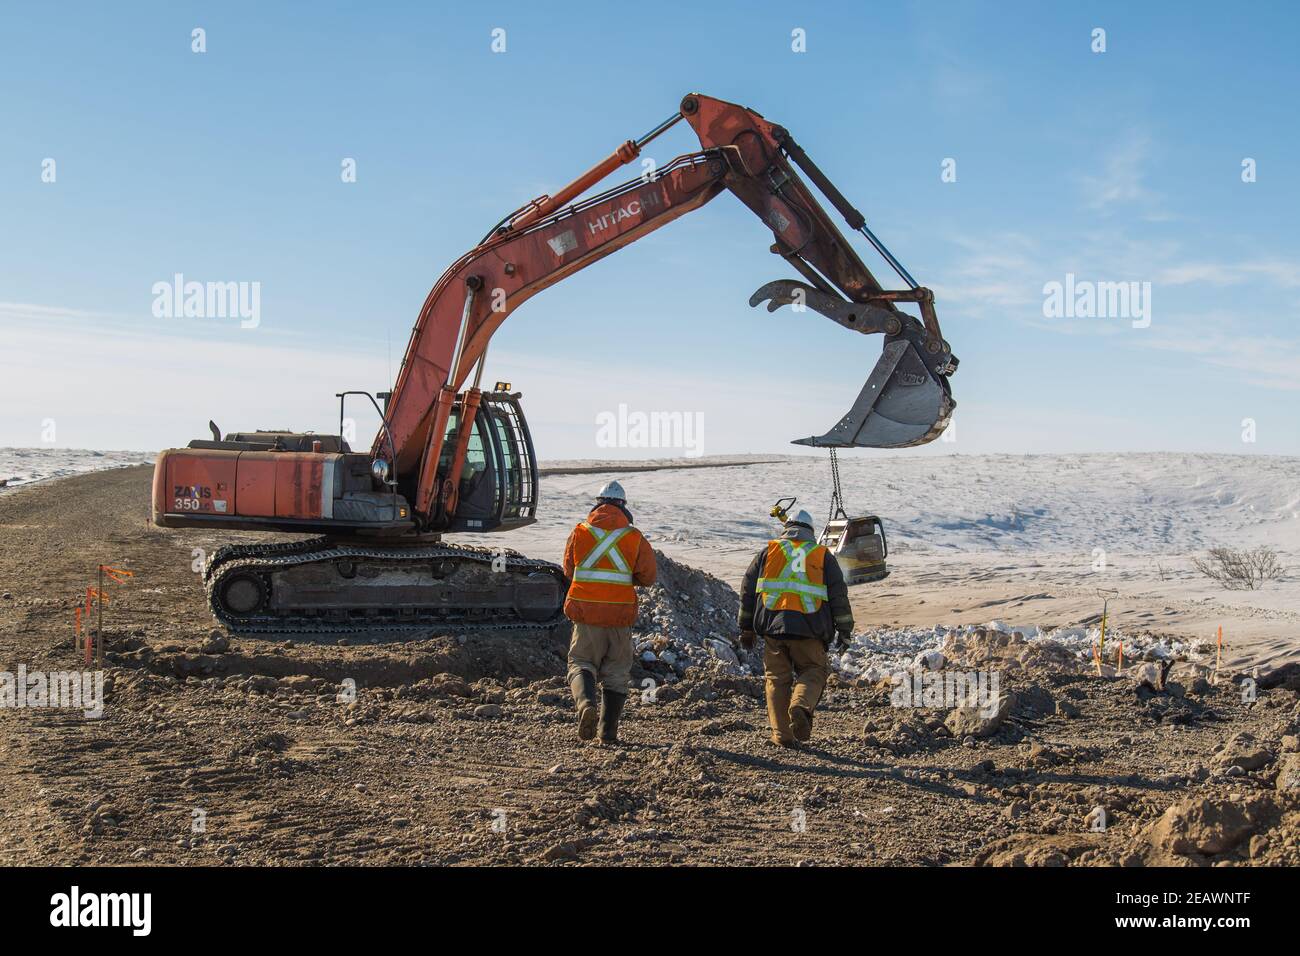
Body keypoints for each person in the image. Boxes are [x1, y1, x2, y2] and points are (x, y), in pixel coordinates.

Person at [738, 509, 853, 747]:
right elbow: (839, 595)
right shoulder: (821, 555)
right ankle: (800, 705)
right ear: (810, 532)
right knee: (813, 671)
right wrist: (844, 630)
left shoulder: (768, 553)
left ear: (787, 528)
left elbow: (748, 591)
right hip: (810, 629)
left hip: (773, 629)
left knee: (776, 680)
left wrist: (746, 629)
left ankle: (782, 736)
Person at [561, 479, 657, 744]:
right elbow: (648, 577)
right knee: (616, 673)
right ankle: (608, 735)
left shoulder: (579, 532)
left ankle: (585, 705)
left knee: (581, 663)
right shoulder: (634, 537)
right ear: (623, 506)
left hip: (586, 614)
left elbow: (568, 571)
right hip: (619, 616)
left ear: (597, 504)